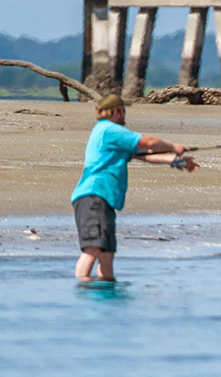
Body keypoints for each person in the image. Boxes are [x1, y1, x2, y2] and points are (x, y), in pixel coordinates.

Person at [72, 93, 197, 282]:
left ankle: (106, 295)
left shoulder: (112, 135)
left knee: (107, 253)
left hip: (104, 198)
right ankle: (82, 288)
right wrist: (174, 146)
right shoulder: (109, 130)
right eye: (123, 111)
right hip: (93, 195)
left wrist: (176, 161)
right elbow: (148, 142)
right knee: (92, 249)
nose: (124, 114)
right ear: (115, 112)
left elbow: (144, 154)